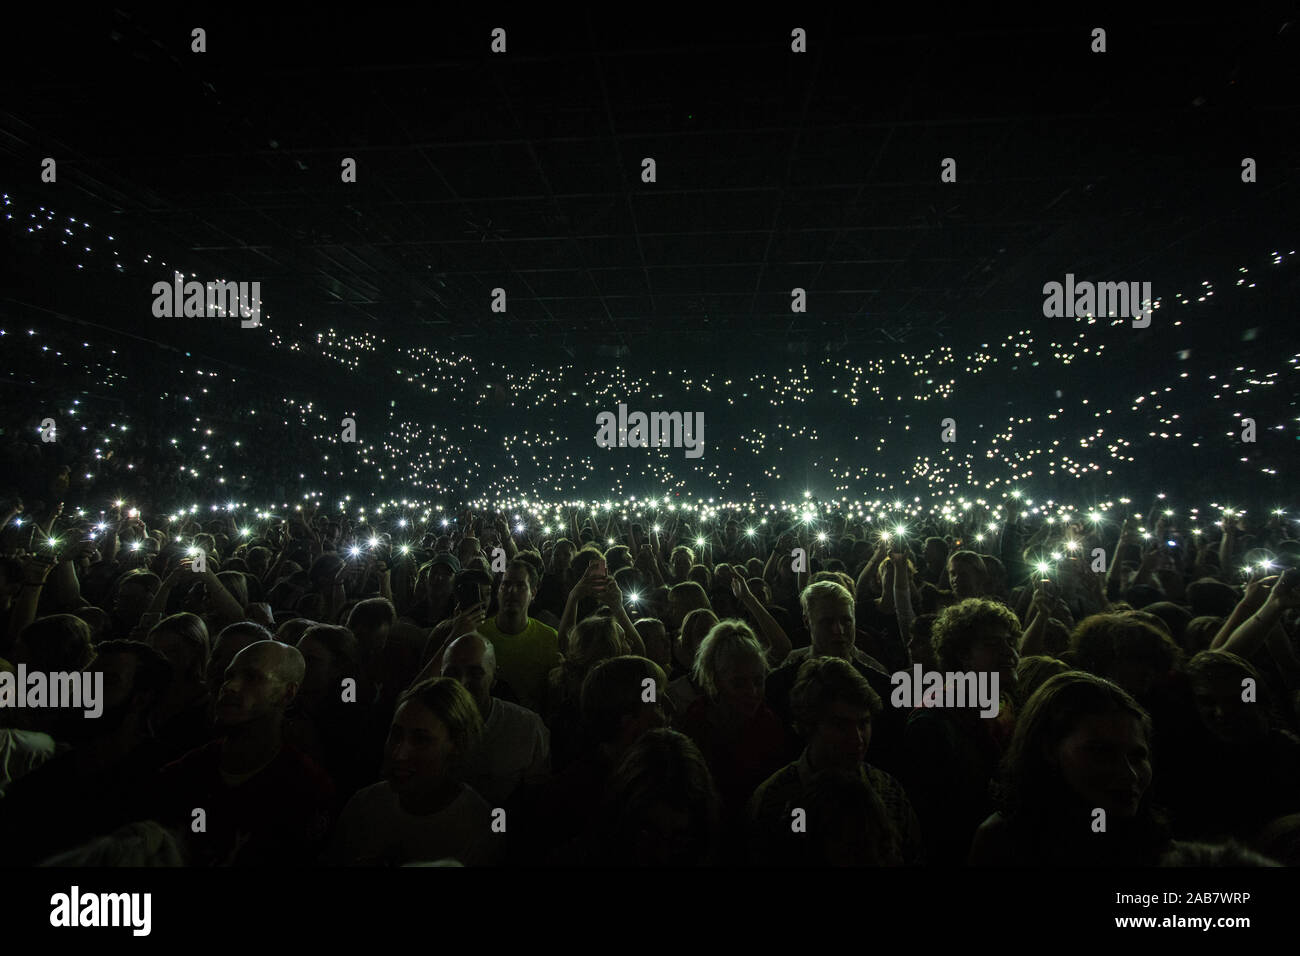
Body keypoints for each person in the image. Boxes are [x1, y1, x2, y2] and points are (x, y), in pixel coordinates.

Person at [155, 640, 335, 866]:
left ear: (288, 693)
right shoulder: (183, 774)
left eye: (252, 677)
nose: (231, 686)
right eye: (229, 676)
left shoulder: (306, 788)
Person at [969, 672, 1173, 866]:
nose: (1130, 773)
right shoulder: (1005, 841)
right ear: (1049, 750)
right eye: (1101, 752)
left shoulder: (1148, 837)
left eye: (1137, 756)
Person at [748, 657, 922, 866]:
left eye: (863, 723)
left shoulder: (888, 792)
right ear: (810, 725)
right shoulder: (778, 801)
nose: (857, 739)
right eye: (841, 725)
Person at [327, 678, 501, 866]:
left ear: (456, 744)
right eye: (396, 735)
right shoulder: (364, 805)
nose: (399, 754)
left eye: (421, 740)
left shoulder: (479, 826)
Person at [902, 597, 1020, 866]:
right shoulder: (933, 720)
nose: (1009, 652)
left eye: (1010, 642)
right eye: (993, 644)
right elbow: (936, 824)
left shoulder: (1004, 704)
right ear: (963, 655)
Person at [765, 580, 905, 775]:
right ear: (807, 622)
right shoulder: (778, 685)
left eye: (846, 621)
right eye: (827, 622)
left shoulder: (882, 686)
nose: (838, 630)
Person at [678, 621, 791, 855]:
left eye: (758, 681)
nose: (752, 692)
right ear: (716, 681)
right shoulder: (698, 721)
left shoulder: (768, 723)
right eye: (739, 683)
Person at [441, 632, 550, 808]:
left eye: (475, 673)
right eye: (452, 673)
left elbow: (537, 799)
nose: (462, 683)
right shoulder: (422, 723)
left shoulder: (526, 727)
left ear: (494, 677)